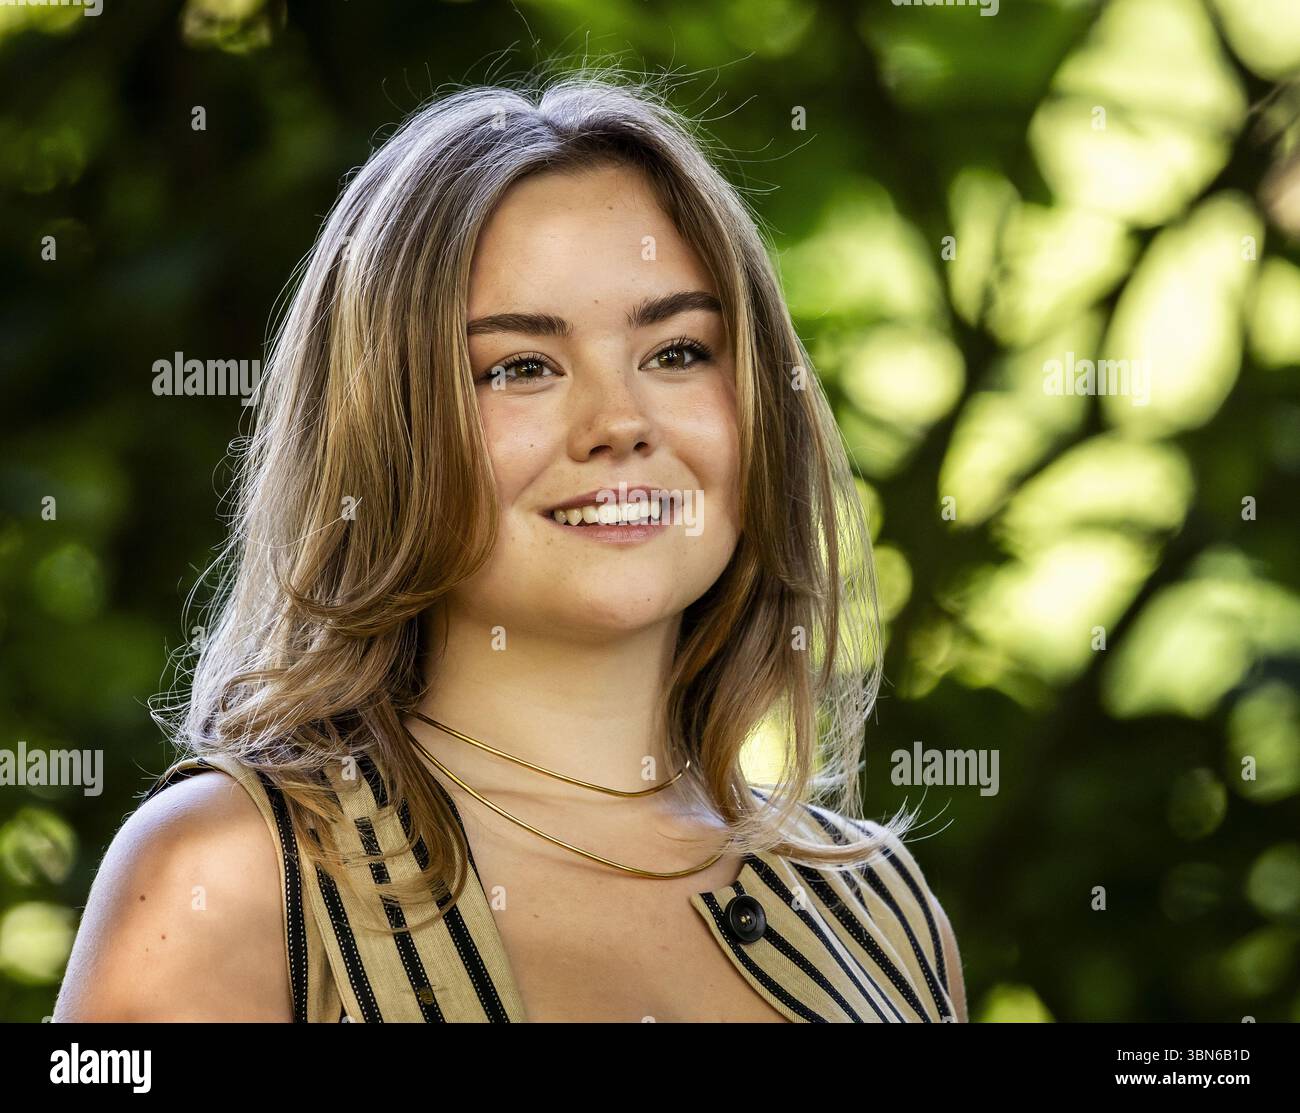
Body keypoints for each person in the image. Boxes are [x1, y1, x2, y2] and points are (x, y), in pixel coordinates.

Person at [54, 71, 966, 1023]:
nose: (620, 421)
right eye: (521, 367)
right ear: (387, 434)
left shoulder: (880, 908)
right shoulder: (226, 875)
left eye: (677, 351)